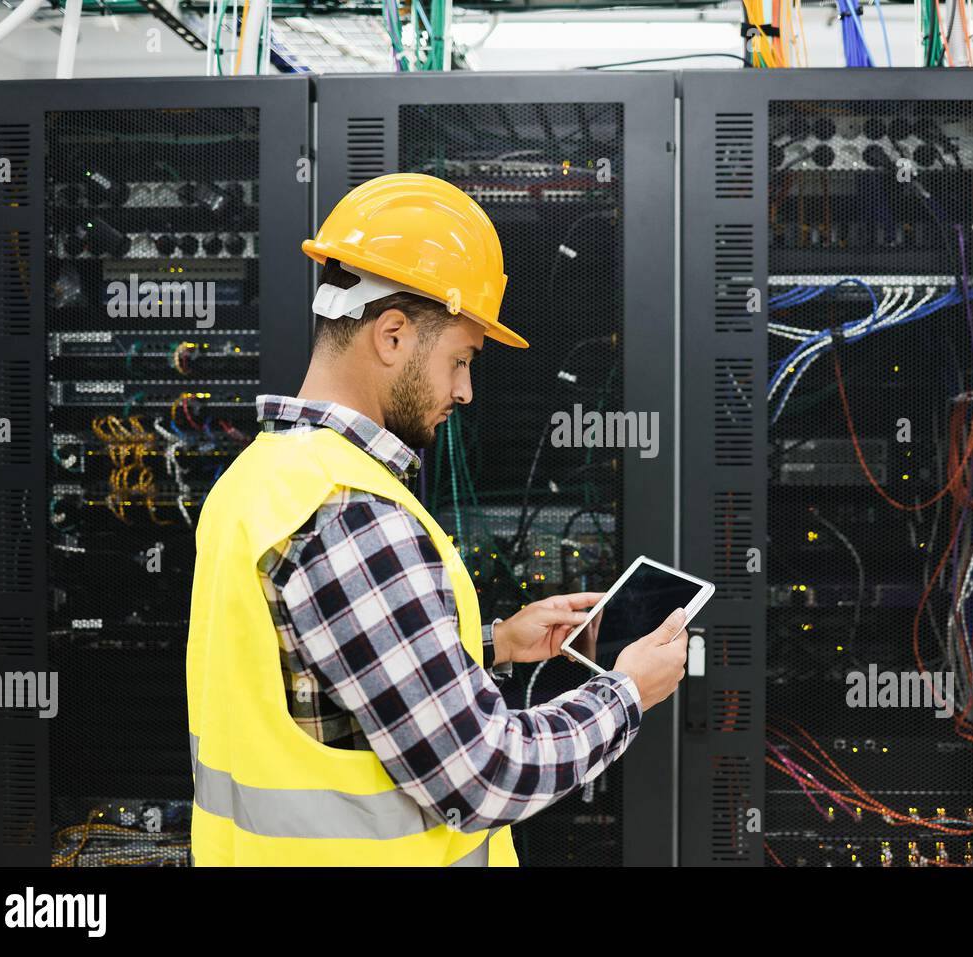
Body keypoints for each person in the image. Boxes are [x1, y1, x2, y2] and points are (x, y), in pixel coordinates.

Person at [186, 172, 688, 866]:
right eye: (461, 358)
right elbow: (484, 776)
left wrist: (492, 643)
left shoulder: (258, 479)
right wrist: (627, 691)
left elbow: (314, 683)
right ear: (391, 335)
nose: (465, 389)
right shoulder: (351, 511)